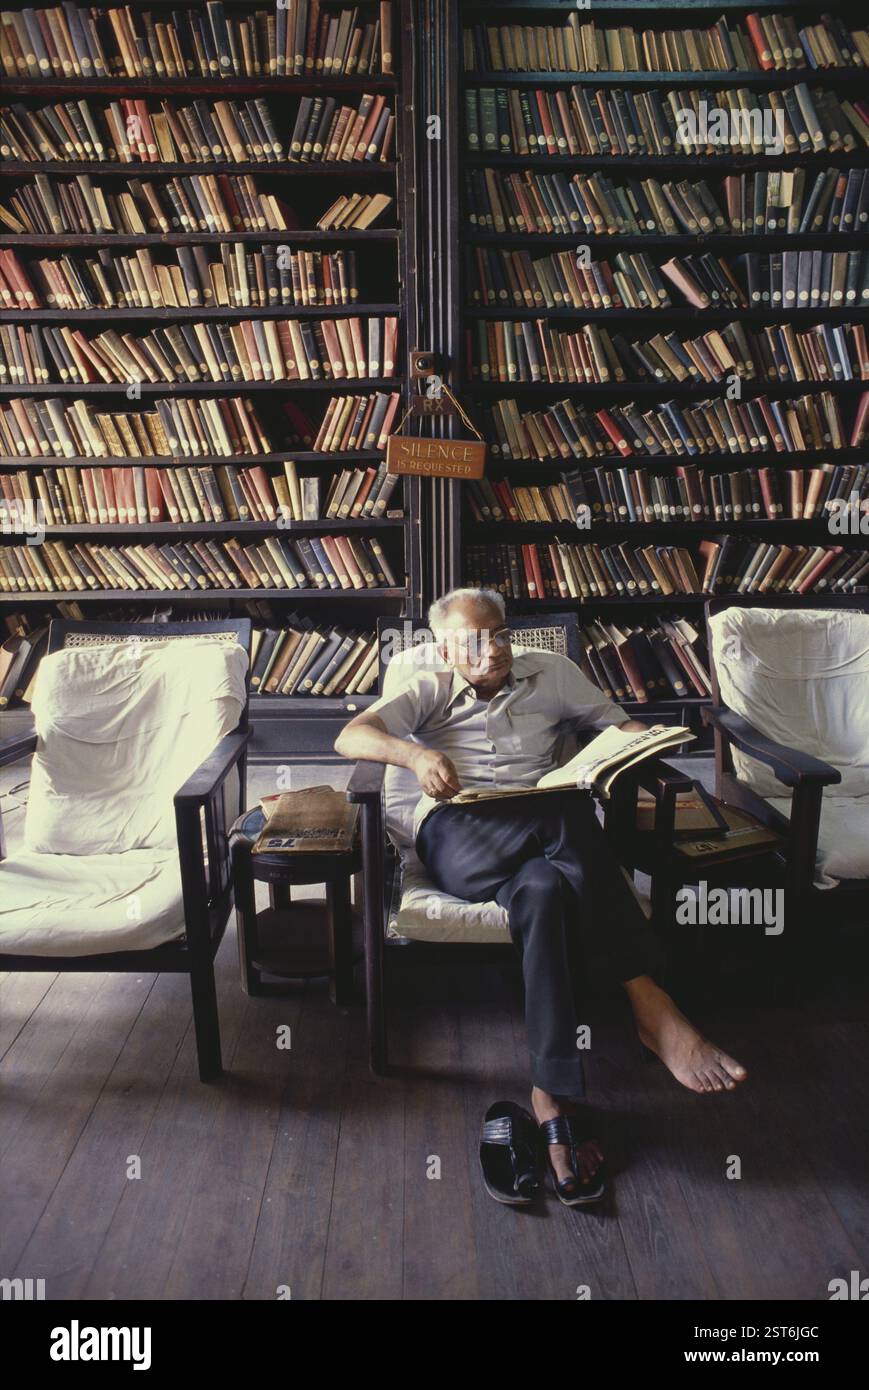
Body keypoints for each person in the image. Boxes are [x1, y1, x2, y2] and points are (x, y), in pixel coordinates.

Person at [335, 587, 747, 1205]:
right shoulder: (425, 684)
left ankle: (551, 1099)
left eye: (499, 633)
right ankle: (648, 999)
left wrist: (642, 745)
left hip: (541, 849)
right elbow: (352, 736)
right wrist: (415, 754)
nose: (494, 648)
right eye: (475, 640)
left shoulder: (552, 671)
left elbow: (617, 725)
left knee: (546, 888)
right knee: (563, 817)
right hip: (458, 839)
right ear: (444, 648)